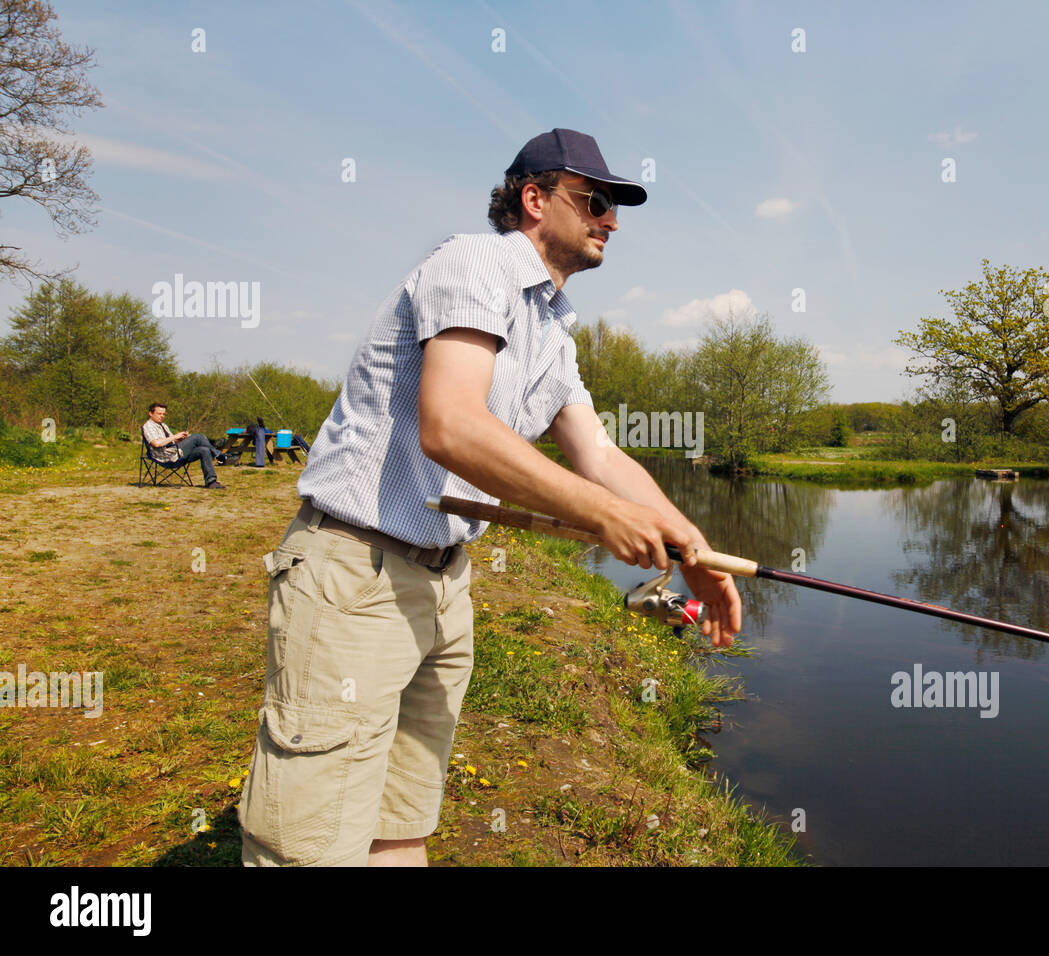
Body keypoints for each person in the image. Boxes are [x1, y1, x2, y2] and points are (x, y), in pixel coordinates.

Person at [238, 128, 743, 868]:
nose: (612, 220)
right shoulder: (475, 263)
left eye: (616, 206)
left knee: (400, 825)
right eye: (596, 200)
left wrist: (691, 545)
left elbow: (599, 454)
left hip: (443, 584)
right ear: (534, 199)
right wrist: (598, 515)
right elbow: (451, 425)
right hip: (355, 574)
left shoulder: (554, 331)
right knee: (310, 850)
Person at [141, 403, 226, 489]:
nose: (162, 416)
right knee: (198, 437)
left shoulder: (163, 425)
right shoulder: (148, 427)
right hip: (166, 457)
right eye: (159, 413)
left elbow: (172, 441)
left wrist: (181, 438)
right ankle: (218, 454)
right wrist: (174, 436)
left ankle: (211, 482)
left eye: (164, 414)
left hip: (175, 453)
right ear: (150, 413)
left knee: (204, 450)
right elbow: (156, 443)